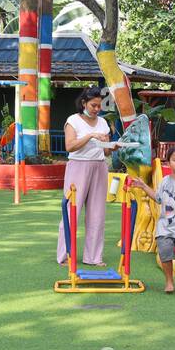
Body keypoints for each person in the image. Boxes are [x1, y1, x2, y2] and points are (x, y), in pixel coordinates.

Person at [126, 144, 175, 294]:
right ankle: (169, 281)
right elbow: (158, 197)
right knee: (165, 252)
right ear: (169, 162)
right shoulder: (165, 181)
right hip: (165, 227)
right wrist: (143, 187)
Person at [56, 87, 115, 267]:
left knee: (97, 214)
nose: (97, 109)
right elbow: (70, 146)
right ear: (84, 103)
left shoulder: (103, 123)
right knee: (71, 210)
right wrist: (90, 135)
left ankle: (94, 257)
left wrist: (112, 146)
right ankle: (65, 255)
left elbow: (105, 152)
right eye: (93, 105)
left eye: (99, 106)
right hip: (78, 167)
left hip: (99, 167)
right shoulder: (73, 121)